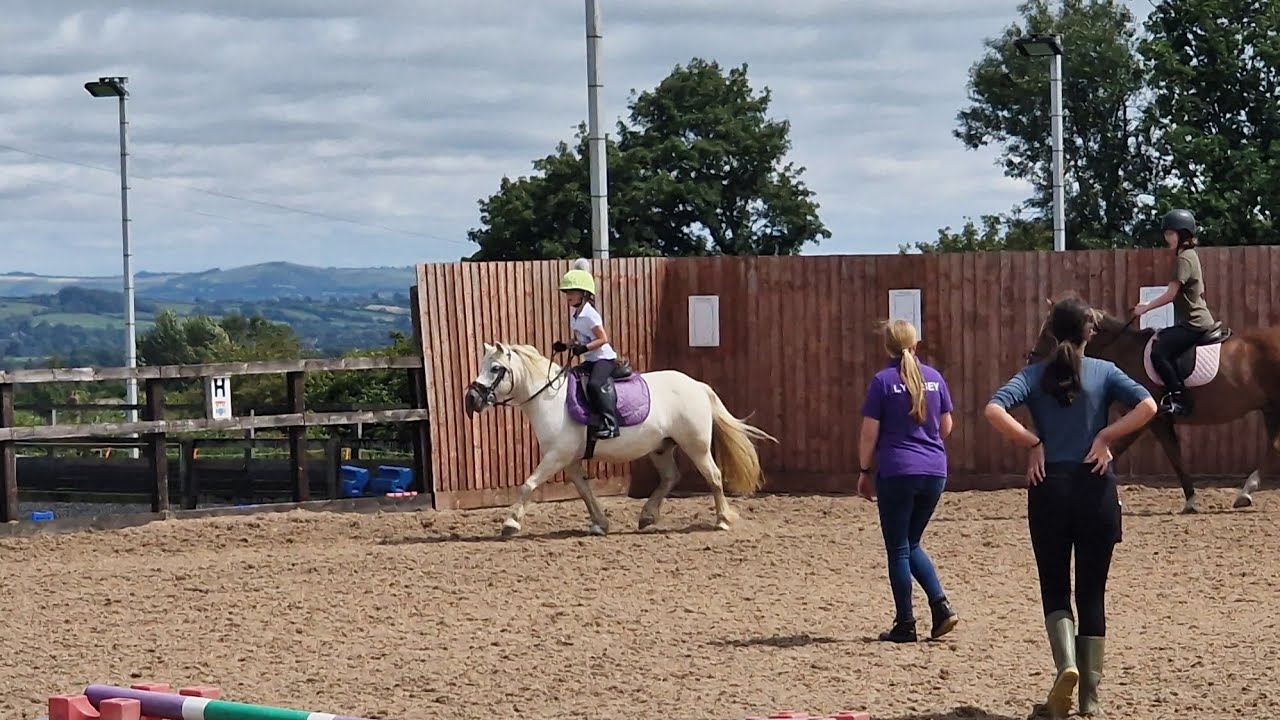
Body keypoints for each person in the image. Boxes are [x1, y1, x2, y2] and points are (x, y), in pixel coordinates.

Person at [984, 295, 1157, 718]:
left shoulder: (1033, 375)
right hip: (1096, 488)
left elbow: (992, 410)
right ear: (1089, 333)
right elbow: (1149, 406)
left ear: (1051, 331)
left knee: (1055, 588)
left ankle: (1066, 667)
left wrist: (1034, 442)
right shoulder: (1105, 371)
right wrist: (1105, 438)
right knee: (1093, 593)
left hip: (1049, 489)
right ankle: (1090, 699)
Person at [856, 319, 959, 644]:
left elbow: (869, 433)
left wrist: (863, 470)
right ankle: (940, 606)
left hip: (898, 471)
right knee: (911, 543)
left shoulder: (882, 382)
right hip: (934, 472)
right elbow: (946, 428)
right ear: (916, 344)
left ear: (886, 347)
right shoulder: (934, 378)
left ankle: (906, 622)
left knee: (899, 548)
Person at [1130, 208, 1218, 417]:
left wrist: (1145, 308)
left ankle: (1179, 398)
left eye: (1171, 234)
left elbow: (1170, 294)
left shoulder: (1184, 260)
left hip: (1194, 323)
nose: (1167, 238)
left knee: (1158, 351)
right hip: (1191, 321)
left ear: (1183, 234)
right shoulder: (1189, 256)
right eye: (1166, 234)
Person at [552, 258, 621, 439]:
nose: (568, 297)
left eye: (572, 293)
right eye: (567, 293)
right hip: (590, 360)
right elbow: (578, 338)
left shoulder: (590, 314)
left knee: (593, 385)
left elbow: (603, 339)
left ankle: (610, 423)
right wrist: (565, 346)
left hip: (603, 359)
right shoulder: (575, 315)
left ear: (583, 293)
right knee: (570, 378)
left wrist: (584, 349)